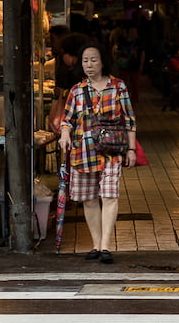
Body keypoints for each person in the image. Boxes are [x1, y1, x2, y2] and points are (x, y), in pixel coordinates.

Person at [58, 41, 137, 264]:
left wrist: (131, 149)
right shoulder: (76, 90)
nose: (89, 64)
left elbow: (129, 120)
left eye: (94, 60)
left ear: (103, 62)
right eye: (85, 61)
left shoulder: (118, 86)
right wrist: (65, 134)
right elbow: (67, 120)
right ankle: (95, 244)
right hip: (83, 150)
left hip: (111, 151)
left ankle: (105, 246)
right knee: (89, 199)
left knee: (110, 195)